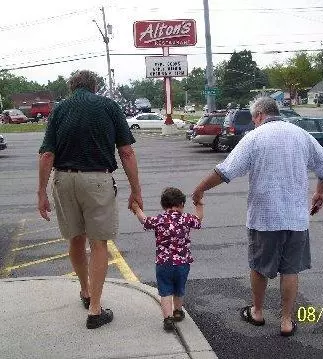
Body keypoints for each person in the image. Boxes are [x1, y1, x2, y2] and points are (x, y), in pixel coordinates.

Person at [192, 97, 323, 337]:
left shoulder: (255, 137)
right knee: (290, 270)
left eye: (253, 119)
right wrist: (320, 192)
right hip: (297, 219)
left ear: (258, 115)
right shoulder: (301, 135)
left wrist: (200, 189)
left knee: (259, 267)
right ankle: (286, 321)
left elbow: (225, 170)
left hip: (265, 218)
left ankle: (257, 312)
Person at [37, 70, 142, 329]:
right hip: (97, 180)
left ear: (72, 87)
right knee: (98, 244)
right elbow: (126, 152)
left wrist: (41, 192)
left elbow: (47, 155)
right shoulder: (109, 106)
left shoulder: (60, 110)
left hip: (63, 179)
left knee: (75, 238)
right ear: (95, 87)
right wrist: (136, 190)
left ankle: (85, 291)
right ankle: (95, 309)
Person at [131, 187, 203, 332]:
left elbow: (144, 221)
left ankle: (168, 318)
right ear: (182, 204)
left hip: (164, 263)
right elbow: (199, 218)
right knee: (179, 289)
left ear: (163, 205)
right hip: (182, 263)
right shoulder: (186, 218)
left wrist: (136, 208)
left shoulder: (159, 219)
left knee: (165, 291)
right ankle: (177, 311)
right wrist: (199, 203)